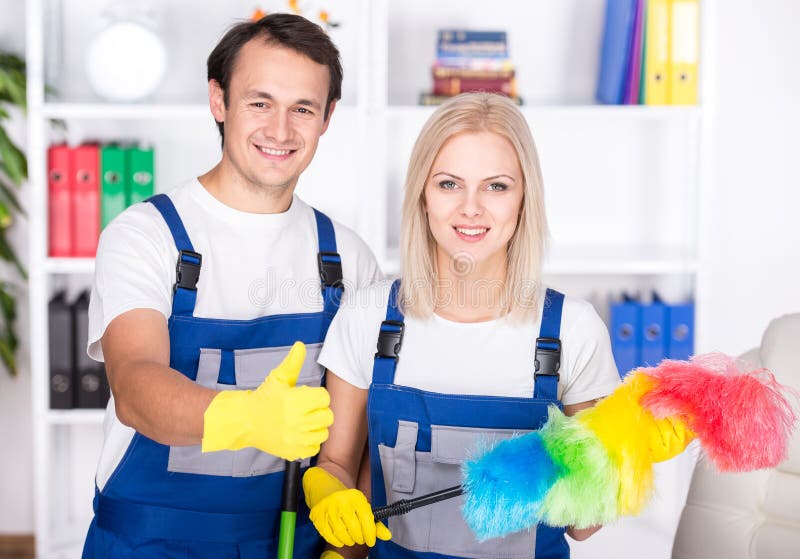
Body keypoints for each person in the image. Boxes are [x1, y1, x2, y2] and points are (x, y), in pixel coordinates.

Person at [81, 13, 380, 559]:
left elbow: (356, 436)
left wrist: (348, 550)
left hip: (292, 542)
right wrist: (247, 418)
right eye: (260, 102)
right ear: (219, 101)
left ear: (328, 117)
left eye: (303, 109)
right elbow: (135, 386)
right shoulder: (147, 236)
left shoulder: (348, 260)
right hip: (151, 543)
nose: (281, 130)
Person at [302, 92, 623, 559]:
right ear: (422, 196)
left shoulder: (573, 331)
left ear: (524, 199)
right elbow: (336, 464)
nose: (470, 208)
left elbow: (584, 525)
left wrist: (623, 455)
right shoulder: (368, 318)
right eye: (449, 184)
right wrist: (330, 496)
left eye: (496, 186)